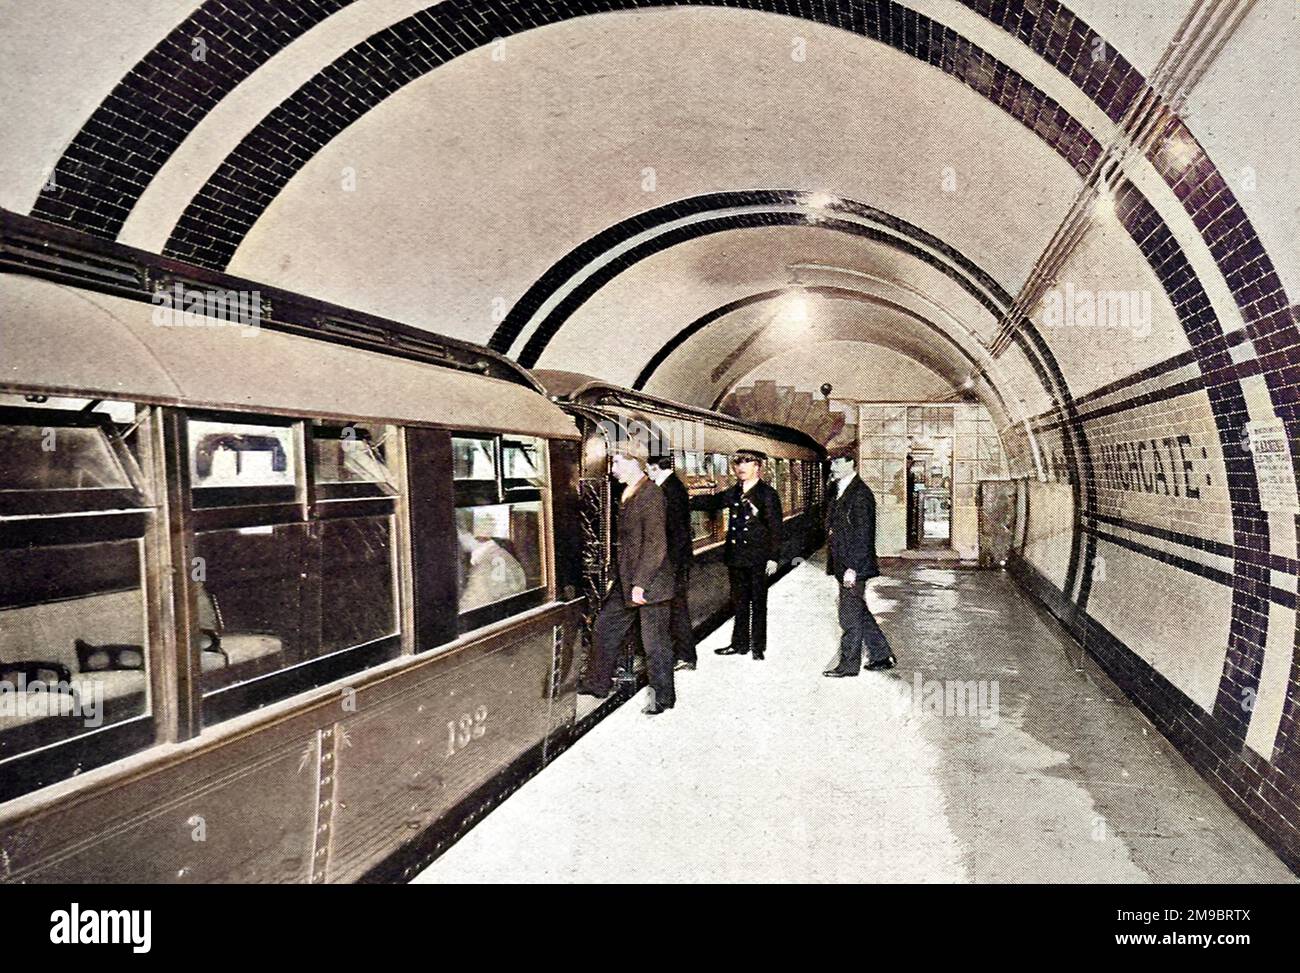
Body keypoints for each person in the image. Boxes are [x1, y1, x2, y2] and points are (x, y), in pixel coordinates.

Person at [578, 441, 677, 715]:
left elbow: (656, 544)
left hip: (650, 585)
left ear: (635, 462)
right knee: (604, 628)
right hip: (627, 581)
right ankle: (598, 683)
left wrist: (641, 584)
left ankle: (663, 698)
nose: (612, 469)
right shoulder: (629, 492)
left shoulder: (652, 494)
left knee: (654, 644)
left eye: (617, 463)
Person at [690, 448, 783, 660]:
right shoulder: (734, 492)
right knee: (739, 602)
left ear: (757, 467)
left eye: (746, 463)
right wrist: (686, 499)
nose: (740, 468)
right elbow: (713, 502)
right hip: (737, 557)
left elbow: (776, 529)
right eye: (737, 463)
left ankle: (758, 647)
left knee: (758, 603)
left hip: (759, 558)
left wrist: (773, 557)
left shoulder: (767, 495)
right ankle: (739, 644)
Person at [823, 450, 896, 676]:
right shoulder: (838, 489)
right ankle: (882, 655)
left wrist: (852, 568)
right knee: (857, 611)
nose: (832, 466)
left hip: (852, 565)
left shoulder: (861, 494)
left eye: (837, 462)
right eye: (831, 462)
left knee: (848, 616)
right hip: (842, 561)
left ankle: (848, 665)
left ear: (851, 463)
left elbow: (864, 535)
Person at [648, 453, 696, 671]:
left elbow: (677, 532)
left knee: (677, 608)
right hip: (676, 560)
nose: (647, 473)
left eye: (648, 468)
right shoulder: (673, 486)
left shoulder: (669, 490)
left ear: (656, 467)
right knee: (677, 608)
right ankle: (684, 654)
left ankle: (685, 656)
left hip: (674, 562)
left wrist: (669, 564)